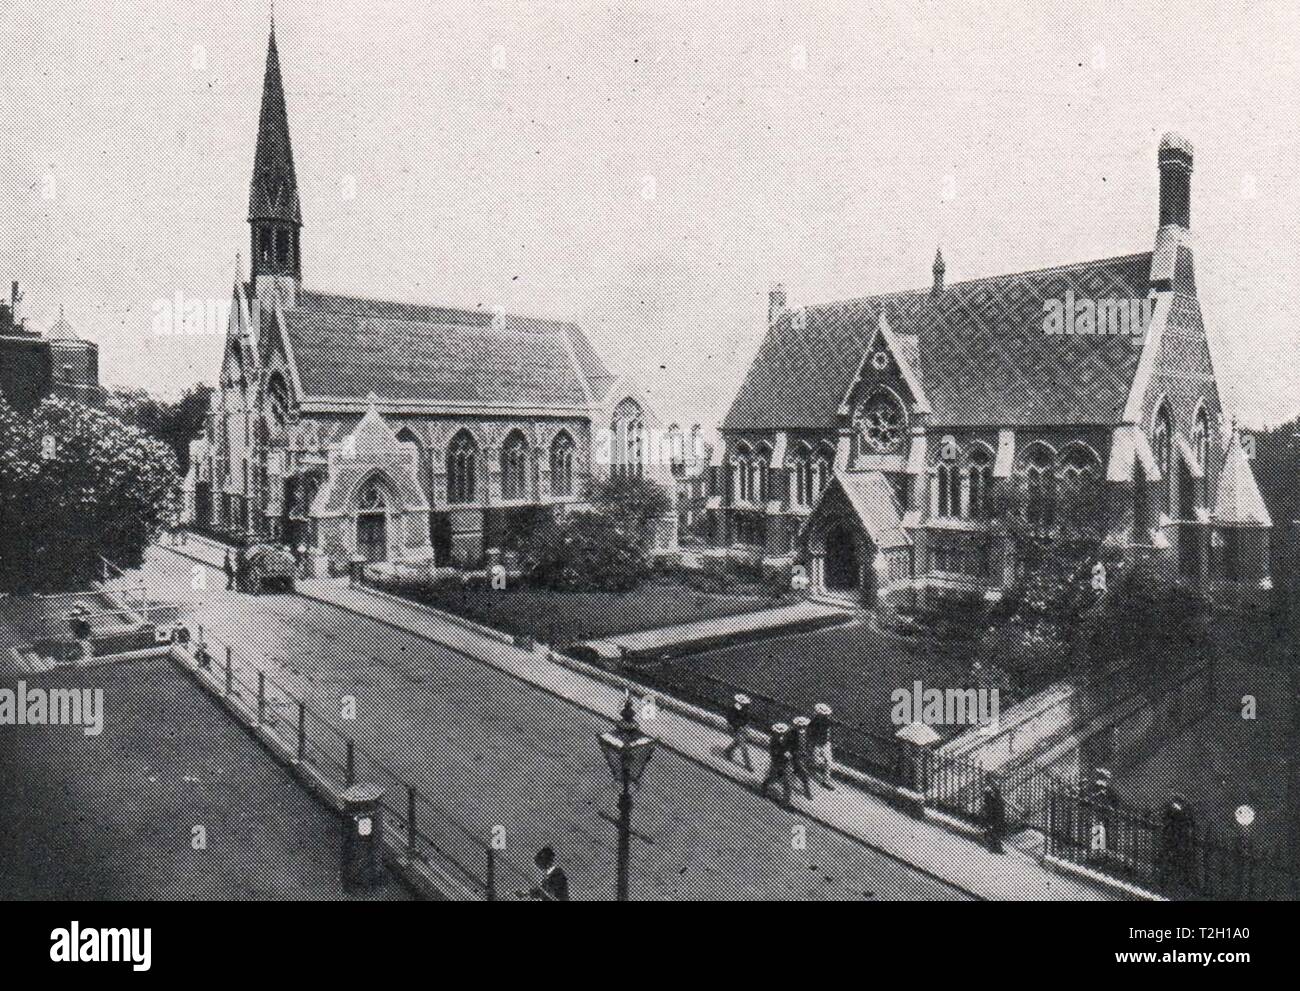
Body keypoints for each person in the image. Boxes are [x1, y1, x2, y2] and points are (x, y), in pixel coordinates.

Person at [760, 723, 792, 805]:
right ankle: (764, 788)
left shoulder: (787, 738)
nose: (780, 734)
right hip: (777, 762)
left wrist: (788, 753)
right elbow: (774, 752)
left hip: (785, 762)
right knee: (772, 777)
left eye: (781, 732)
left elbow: (789, 746)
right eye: (778, 733)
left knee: (787, 781)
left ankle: (786, 801)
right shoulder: (773, 740)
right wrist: (783, 753)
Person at [723, 693, 753, 770]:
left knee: (738, 742)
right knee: (743, 745)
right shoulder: (733, 709)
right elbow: (731, 721)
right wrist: (740, 726)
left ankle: (728, 751)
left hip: (741, 729)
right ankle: (748, 765)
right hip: (734, 729)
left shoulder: (745, 710)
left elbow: (746, 720)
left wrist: (743, 727)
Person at [809, 702, 835, 790]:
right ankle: (807, 768)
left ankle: (826, 781)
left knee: (829, 762)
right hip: (817, 744)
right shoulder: (813, 723)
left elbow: (828, 733)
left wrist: (827, 741)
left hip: (825, 743)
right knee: (816, 761)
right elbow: (811, 734)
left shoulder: (827, 721)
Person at [788, 716, 814, 798]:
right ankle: (807, 792)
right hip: (796, 756)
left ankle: (794, 788)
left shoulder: (806, 733)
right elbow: (789, 745)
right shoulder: (792, 733)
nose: (802, 727)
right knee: (804, 774)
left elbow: (808, 744)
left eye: (803, 726)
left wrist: (808, 753)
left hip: (803, 756)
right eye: (800, 726)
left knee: (796, 773)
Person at [982, 778, 1006, 854]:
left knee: (995, 831)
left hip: (995, 816)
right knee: (995, 831)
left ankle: (995, 846)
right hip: (995, 816)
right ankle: (996, 847)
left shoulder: (992, 799)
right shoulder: (993, 799)